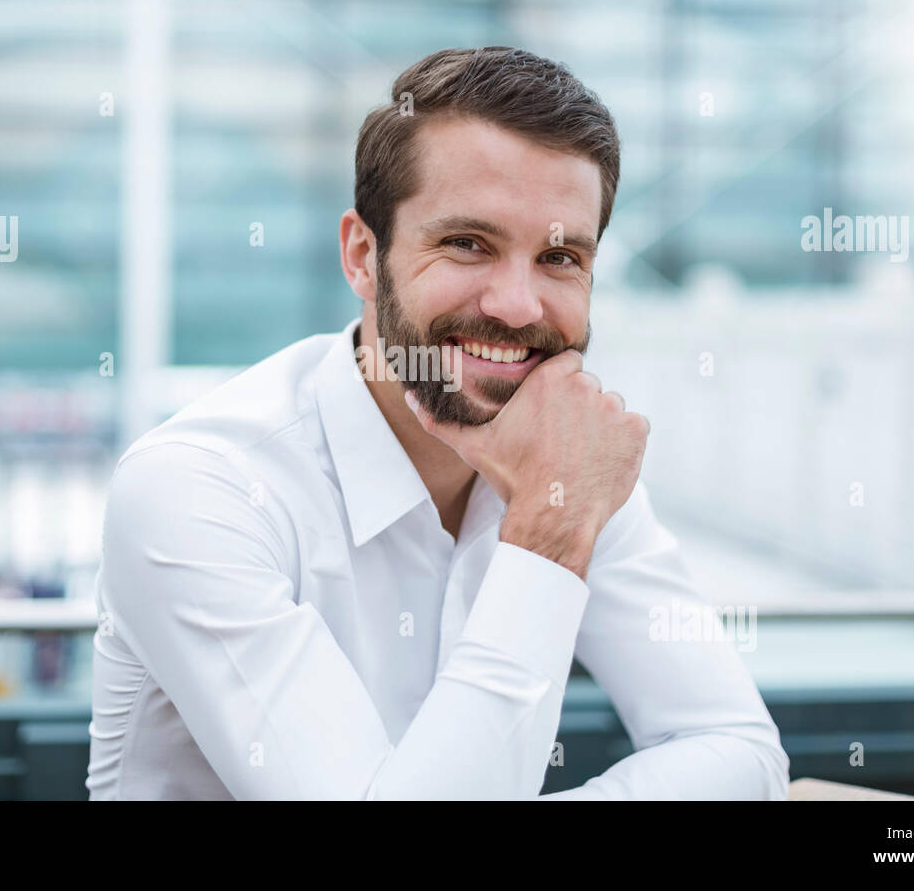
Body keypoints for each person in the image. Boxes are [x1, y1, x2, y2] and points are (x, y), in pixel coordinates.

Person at [86, 46, 789, 799]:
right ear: (363, 255)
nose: (517, 306)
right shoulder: (200, 488)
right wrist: (547, 542)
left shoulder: (568, 465)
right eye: (467, 244)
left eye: (559, 258)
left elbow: (740, 752)